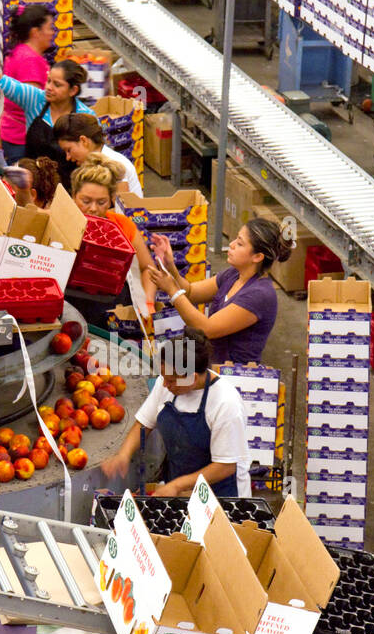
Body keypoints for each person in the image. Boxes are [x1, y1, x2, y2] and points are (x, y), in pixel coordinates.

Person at [101, 330, 250, 498]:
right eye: (164, 377)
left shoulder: (226, 404)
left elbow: (225, 466)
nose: (164, 384)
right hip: (181, 490)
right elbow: (143, 424)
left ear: (192, 378)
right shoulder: (167, 383)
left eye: (171, 380)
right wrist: (124, 454)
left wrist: (177, 486)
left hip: (220, 496)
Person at [147, 218, 290, 366]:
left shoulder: (260, 295)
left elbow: (206, 329)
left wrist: (172, 289)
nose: (231, 245)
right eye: (235, 239)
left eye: (240, 244)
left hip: (234, 377)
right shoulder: (234, 274)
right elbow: (191, 292)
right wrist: (170, 266)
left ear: (257, 257)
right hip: (212, 366)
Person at [70, 155, 156, 307]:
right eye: (86, 201)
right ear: (73, 196)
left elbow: (148, 268)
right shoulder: (62, 221)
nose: (93, 208)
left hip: (112, 306)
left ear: (111, 200)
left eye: (101, 202)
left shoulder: (122, 225)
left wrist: (148, 302)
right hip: (70, 301)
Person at [0, 59, 93, 185]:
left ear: (73, 90)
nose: (48, 87)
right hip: (32, 185)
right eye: (48, 81)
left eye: (57, 85)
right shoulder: (35, 100)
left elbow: (95, 156)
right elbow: (2, 81)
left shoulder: (85, 117)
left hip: (68, 189)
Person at [0, 4, 56, 164]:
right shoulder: (30, 60)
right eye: (49, 28)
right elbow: (33, 103)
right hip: (22, 139)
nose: (52, 33)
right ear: (35, 32)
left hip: (14, 134)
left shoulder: (20, 51)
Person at [54, 111, 143, 198]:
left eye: (69, 150)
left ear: (83, 140)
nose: (67, 157)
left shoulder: (115, 164)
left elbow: (121, 209)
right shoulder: (91, 164)